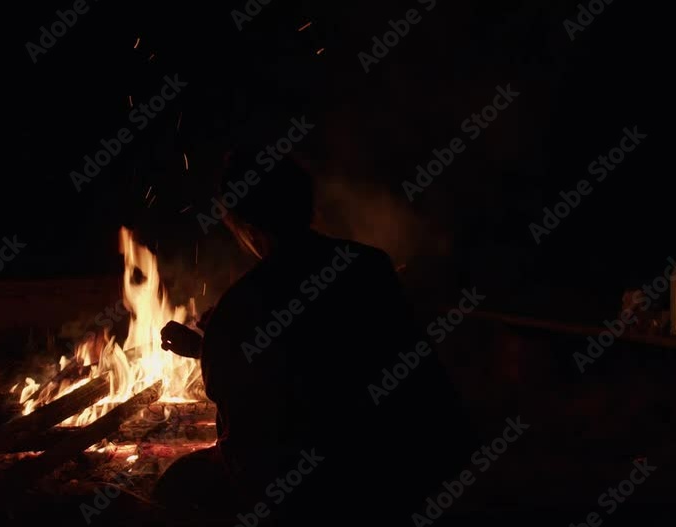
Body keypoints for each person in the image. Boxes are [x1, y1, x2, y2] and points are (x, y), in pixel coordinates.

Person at [153, 145, 472, 524]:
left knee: (173, 487)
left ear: (246, 225)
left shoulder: (244, 301)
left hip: (319, 490)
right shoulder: (370, 265)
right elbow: (326, 356)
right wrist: (213, 345)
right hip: (410, 457)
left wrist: (217, 345)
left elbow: (243, 427)